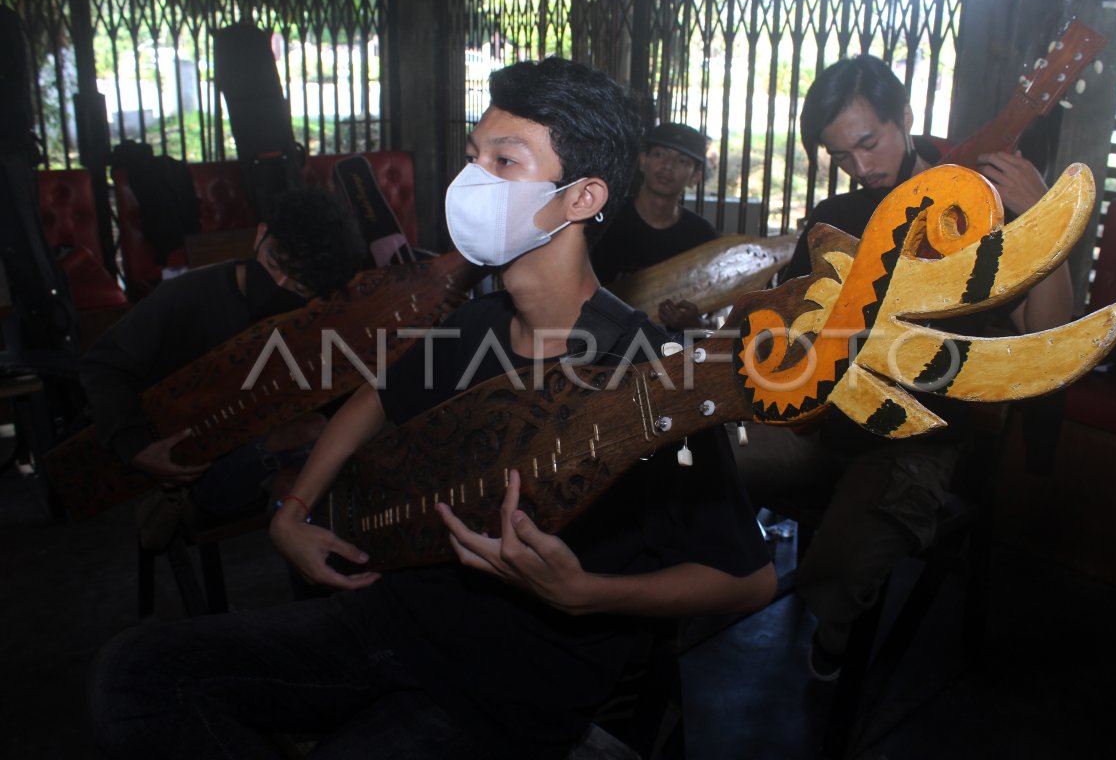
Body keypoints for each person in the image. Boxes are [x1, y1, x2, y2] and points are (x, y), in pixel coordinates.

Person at [89, 57, 775, 759]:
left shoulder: (651, 377)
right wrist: (293, 509)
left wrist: (587, 593)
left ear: (581, 198)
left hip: (502, 691)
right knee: (138, 672)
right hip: (391, 620)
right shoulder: (477, 324)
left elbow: (748, 581)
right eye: (473, 156)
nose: (471, 180)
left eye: (504, 162)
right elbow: (377, 395)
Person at [777, 55, 1072, 681]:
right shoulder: (838, 212)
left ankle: (833, 635)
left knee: (837, 572)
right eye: (842, 156)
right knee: (696, 463)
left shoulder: (980, 210)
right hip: (821, 411)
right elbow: (794, 316)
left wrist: (1044, 217)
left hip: (919, 434)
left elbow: (1045, 333)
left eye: (869, 143)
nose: (862, 167)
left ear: (905, 116)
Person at [78, 188, 367, 530]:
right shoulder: (188, 295)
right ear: (260, 235)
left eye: (299, 286)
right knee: (309, 434)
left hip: (283, 453)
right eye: (273, 264)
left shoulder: (321, 314)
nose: (278, 284)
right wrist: (134, 445)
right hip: (198, 470)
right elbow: (104, 365)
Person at [589, 122, 719, 330]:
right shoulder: (603, 221)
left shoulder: (703, 236)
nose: (668, 166)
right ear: (642, 161)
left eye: (682, 161)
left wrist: (695, 324)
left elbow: (719, 315)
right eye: (659, 154)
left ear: (695, 177)